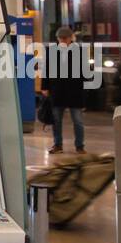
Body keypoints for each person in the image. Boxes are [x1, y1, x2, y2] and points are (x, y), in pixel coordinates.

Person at [42, 26, 87, 154]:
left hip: (75, 90)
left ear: (71, 38)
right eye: (60, 38)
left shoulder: (79, 51)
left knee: (78, 121)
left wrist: (85, 90)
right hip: (57, 90)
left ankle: (80, 146)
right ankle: (58, 145)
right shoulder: (51, 51)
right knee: (56, 120)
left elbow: (86, 72)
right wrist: (44, 87)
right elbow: (47, 70)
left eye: (65, 38)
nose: (62, 41)